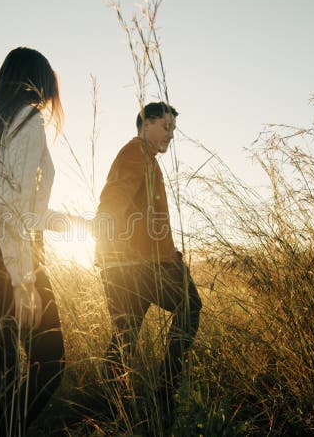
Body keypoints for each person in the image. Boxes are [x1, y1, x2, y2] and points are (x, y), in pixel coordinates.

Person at [0, 47, 69, 436]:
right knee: (50, 361)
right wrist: (23, 283)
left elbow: (0, 208)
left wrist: (77, 224)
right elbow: (13, 214)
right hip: (4, 257)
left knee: (1, 376)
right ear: (37, 79)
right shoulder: (30, 119)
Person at [93, 102, 202, 428]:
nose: (170, 135)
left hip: (129, 261)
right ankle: (165, 392)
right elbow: (114, 196)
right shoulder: (136, 152)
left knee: (126, 334)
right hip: (144, 262)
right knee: (190, 306)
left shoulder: (144, 157)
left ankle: (112, 408)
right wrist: (105, 237)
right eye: (166, 127)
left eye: (173, 130)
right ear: (148, 123)